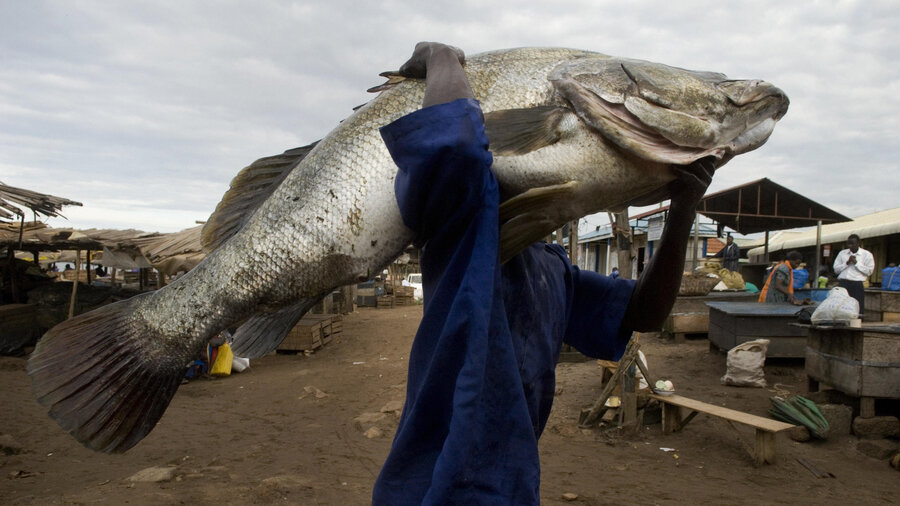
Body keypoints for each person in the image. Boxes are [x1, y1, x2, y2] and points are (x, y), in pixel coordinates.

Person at [373, 42, 715, 505]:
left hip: (512, 485)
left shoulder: (553, 270)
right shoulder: (462, 234)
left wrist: (682, 213)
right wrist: (440, 58)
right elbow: (454, 149)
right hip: (433, 485)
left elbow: (644, 312)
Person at [833, 233, 874, 314]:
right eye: (848, 243)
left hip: (857, 284)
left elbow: (869, 271)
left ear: (858, 243)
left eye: (852, 243)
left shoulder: (866, 254)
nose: (850, 246)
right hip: (843, 283)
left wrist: (856, 263)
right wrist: (846, 263)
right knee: (841, 305)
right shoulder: (842, 253)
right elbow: (836, 270)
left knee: (857, 305)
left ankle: (857, 322)